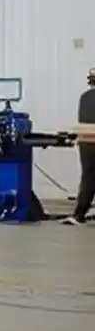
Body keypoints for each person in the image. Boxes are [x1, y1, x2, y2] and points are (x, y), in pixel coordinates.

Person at [60, 68, 95, 225]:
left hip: (86, 142)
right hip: (88, 138)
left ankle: (79, 214)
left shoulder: (85, 97)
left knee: (88, 178)